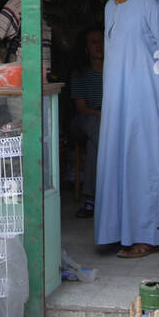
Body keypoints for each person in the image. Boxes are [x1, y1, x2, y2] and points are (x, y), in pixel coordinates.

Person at [94, 0, 159, 258]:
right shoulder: (109, 7)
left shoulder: (150, 3)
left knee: (145, 163)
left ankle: (149, 235)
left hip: (145, 96)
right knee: (119, 160)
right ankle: (118, 232)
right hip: (116, 99)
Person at [70, 27, 104, 219]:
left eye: (101, 41)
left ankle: (90, 199)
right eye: (93, 42)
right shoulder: (80, 74)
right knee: (97, 128)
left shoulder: (115, 71)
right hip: (86, 118)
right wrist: (102, 114)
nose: (99, 46)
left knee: (95, 141)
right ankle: (93, 195)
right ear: (86, 49)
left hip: (105, 122)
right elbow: (81, 108)